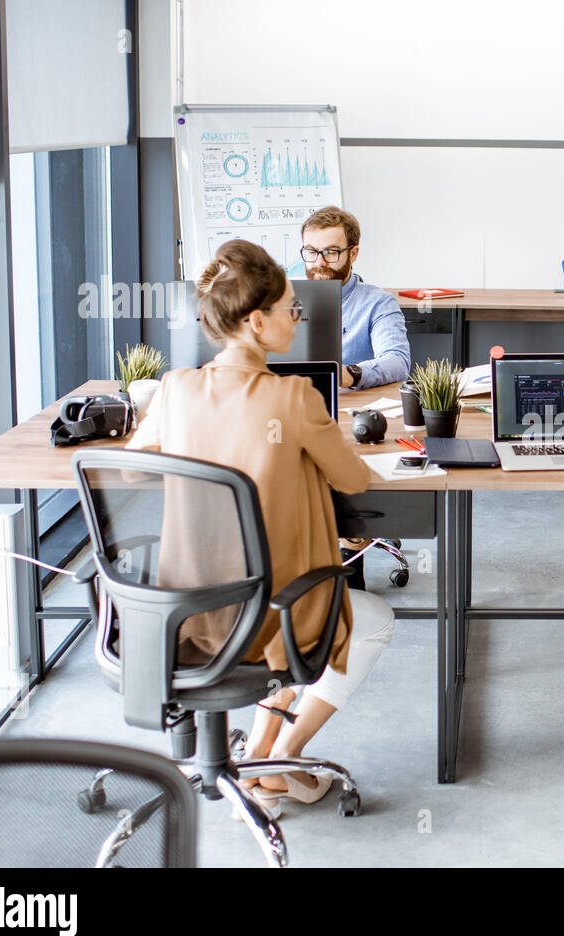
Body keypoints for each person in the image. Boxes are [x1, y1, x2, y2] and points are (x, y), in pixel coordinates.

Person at [127, 238, 396, 813]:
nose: (298, 318)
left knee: (275, 588)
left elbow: (134, 466)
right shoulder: (295, 397)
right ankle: (280, 757)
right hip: (268, 621)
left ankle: (262, 755)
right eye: (290, 309)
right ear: (255, 321)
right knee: (370, 618)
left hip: (183, 619)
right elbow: (353, 479)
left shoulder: (174, 389)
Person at [300, 205, 411, 390]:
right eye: (311, 251)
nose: (319, 262)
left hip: (351, 408)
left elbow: (398, 362)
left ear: (353, 254)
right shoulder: (282, 300)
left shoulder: (378, 303)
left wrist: (351, 374)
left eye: (331, 252)